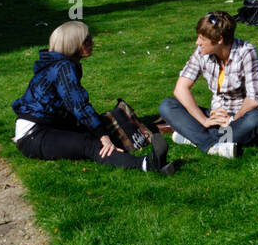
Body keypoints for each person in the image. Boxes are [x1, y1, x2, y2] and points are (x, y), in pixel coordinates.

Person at [12, 22, 175, 173]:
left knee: (101, 128)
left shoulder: (57, 64)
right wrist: (103, 138)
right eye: (86, 40)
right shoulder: (63, 67)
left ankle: (152, 134)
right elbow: (78, 105)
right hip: (35, 135)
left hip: (43, 127)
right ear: (74, 44)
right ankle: (148, 164)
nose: (92, 42)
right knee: (91, 144)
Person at [159, 11, 258, 157]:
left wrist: (233, 119)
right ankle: (215, 144)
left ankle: (196, 137)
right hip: (214, 116)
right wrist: (204, 120)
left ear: (219, 40)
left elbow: (254, 99)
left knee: (255, 118)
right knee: (167, 105)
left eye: (202, 39)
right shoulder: (201, 52)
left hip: (239, 118)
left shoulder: (246, 52)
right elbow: (180, 89)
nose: (197, 42)